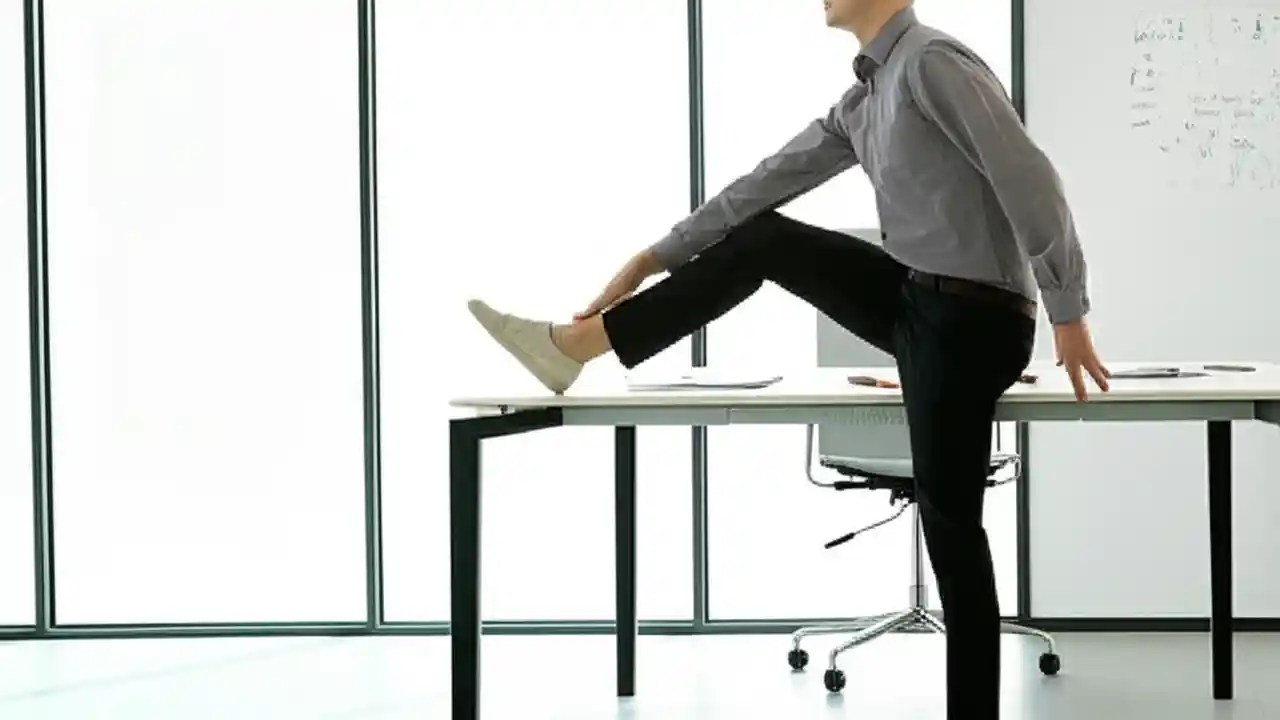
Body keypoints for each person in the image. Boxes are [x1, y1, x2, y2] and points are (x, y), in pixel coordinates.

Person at [465, 0, 1109, 717]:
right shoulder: (864, 99)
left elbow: (1030, 177)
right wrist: (651, 259)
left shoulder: (932, 63)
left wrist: (1068, 312)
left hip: (975, 319)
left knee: (951, 526)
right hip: (916, 303)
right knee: (765, 236)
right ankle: (579, 345)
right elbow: (761, 186)